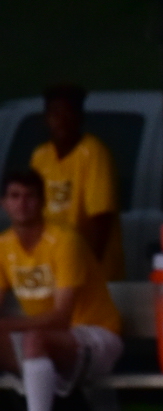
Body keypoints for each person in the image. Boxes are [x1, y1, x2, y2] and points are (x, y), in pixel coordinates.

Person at [0, 169, 124, 411]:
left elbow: (62, 317)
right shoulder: (3, 245)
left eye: (30, 197)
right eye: (15, 196)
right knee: (30, 339)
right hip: (50, 342)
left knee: (35, 340)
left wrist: (9, 326)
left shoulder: (64, 240)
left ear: (42, 202)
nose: (22, 204)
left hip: (97, 336)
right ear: (4, 204)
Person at [32, 83, 124, 281]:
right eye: (55, 114)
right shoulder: (40, 157)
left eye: (69, 113)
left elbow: (101, 219)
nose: (62, 121)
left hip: (90, 273)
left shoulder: (93, 152)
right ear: (46, 119)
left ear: (80, 117)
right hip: (56, 270)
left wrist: (85, 269)